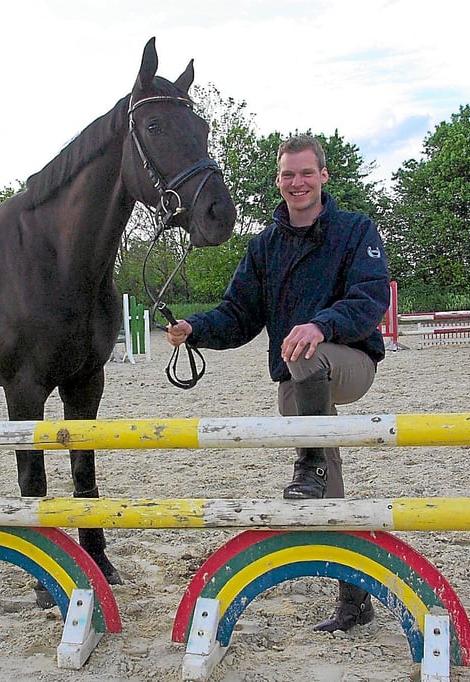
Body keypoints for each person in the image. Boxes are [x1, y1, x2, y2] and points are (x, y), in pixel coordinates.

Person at [166, 134, 390, 632]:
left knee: (307, 359)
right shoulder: (264, 246)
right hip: (297, 375)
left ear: (323, 176)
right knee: (329, 475)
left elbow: (371, 298)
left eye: (306, 172)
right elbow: (238, 313)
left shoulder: (356, 230)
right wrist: (194, 328)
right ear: (278, 180)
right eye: (288, 174)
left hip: (350, 360)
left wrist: (322, 325)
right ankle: (354, 596)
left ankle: (307, 465)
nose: (297, 182)